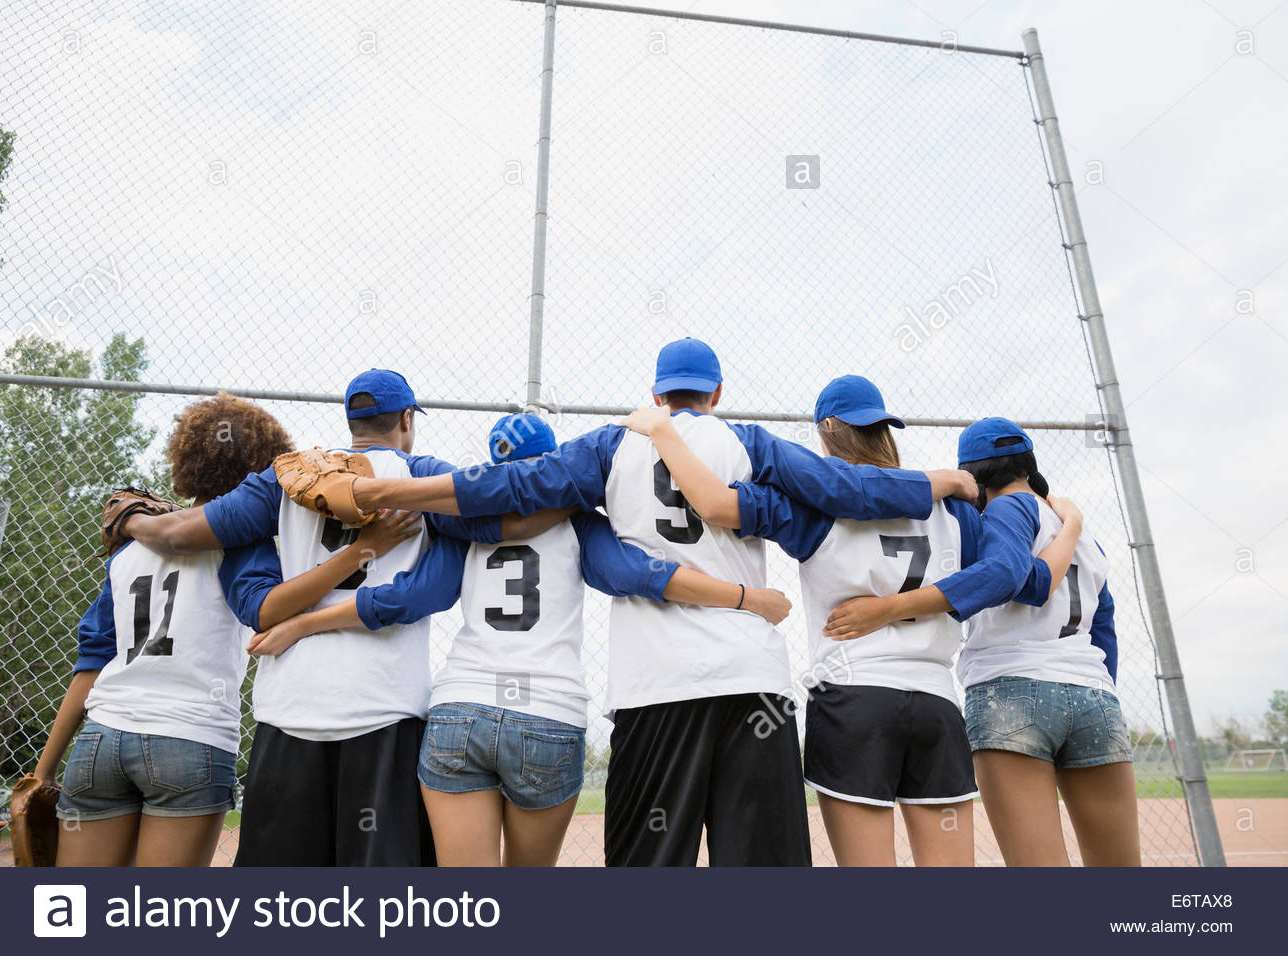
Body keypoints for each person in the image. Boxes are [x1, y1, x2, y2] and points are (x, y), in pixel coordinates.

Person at [272, 339, 979, 866]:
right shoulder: (750, 441)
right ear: (718, 391)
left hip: (654, 688)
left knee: (647, 875)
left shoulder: (614, 444)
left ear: (657, 392)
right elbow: (847, 492)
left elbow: (512, 494)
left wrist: (383, 492)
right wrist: (939, 481)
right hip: (752, 683)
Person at [249, 413, 792, 866]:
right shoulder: (581, 521)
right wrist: (745, 596)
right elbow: (639, 574)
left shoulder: (462, 525)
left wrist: (304, 622)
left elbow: (408, 599)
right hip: (547, 712)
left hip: (461, 710)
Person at [619, 376, 1080, 866]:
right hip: (936, 703)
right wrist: (1070, 525)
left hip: (854, 698)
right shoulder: (953, 509)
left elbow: (716, 506)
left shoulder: (813, 507)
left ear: (827, 432)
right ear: (887, 430)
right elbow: (1014, 577)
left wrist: (666, 439)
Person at [115, 369, 558, 865]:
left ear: (351, 422)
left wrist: (132, 518)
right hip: (383, 708)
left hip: (288, 708)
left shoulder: (285, 476)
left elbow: (181, 536)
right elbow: (452, 571)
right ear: (407, 420)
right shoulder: (428, 477)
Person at [32, 394, 418, 866]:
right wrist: (361, 552)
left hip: (103, 738)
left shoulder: (129, 550)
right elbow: (267, 609)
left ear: (186, 458)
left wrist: (45, 769)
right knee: (164, 924)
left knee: (79, 915)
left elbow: (91, 661)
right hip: (188, 738)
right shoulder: (242, 543)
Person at [822, 417, 1139, 867]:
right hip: (1094, 695)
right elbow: (1103, 629)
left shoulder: (1007, 510)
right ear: (1028, 464)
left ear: (973, 475)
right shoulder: (1084, 538)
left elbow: (1018, 579)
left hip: (1013, 690)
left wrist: (888, 608)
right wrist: (1071, 526)